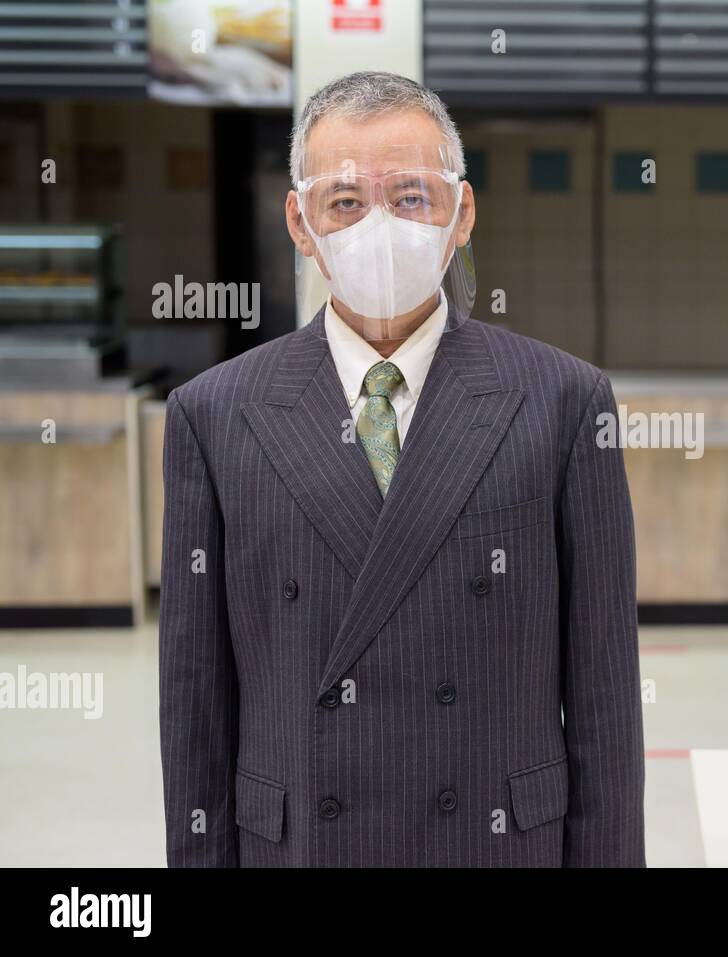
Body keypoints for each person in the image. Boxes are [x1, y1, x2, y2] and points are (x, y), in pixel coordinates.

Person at [159, 71, 645, 867]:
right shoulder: (214, 415)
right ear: (301, 221)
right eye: (345, 202)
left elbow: (604, 703)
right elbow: (194, 711)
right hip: (303, 847)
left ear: (462, 212)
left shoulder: (563, 400)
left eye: (411, 196)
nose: (378, 225)